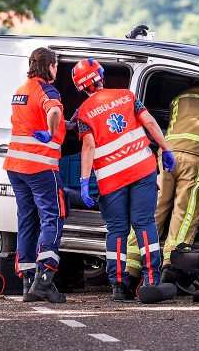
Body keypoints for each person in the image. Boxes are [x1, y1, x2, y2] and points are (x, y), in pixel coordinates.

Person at [71, 58, 175, 302]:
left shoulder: (84, 112)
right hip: (142, 169)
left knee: (117, 230)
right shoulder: (127, 96)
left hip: (111, 179)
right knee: (144, 224)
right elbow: (149, 122)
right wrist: (166, 149)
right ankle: (151, 279)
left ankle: (118, 285)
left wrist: (84, 181)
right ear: (101, 76)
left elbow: (88, 146)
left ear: (81, 87)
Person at [124, 79, 199, 279]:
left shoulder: (180, 97)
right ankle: (171, 267)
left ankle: (131, 268)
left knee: (154, 209)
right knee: (185, 212)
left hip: (168, 155)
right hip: (197, 158)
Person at [3, 47, 67, 304]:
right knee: (53, 217)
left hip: (16, 166)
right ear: (51, 67)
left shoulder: (21, 90)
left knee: (27, 220)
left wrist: (64, 126)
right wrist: (52, 133)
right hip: (40, 166)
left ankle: (28, 282)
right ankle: (45, 280)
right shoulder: (48, 90)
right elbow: (53, 111)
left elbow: (31, 120)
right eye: (56, 66)